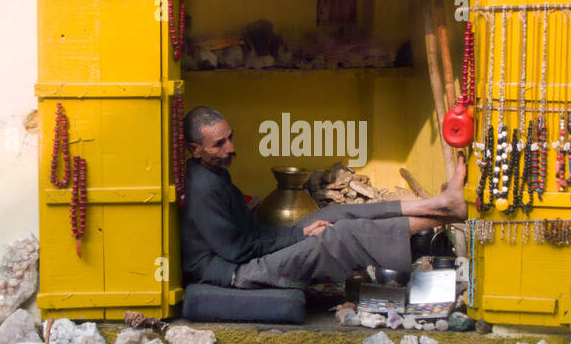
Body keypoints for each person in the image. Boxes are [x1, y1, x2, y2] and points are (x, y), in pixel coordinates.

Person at [181, 106, 467, 291]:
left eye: (230, 138)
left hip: (247, 254)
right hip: (239, 272)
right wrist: (300, 235)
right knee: (338, 235)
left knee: (335, 214)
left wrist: (297, 234)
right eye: (219, 144)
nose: (230, 148)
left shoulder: (214, 171)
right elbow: (240, 251)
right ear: (195, 149)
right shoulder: (203, 188)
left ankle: (438, 204)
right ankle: (448, 213)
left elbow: (250, 235)